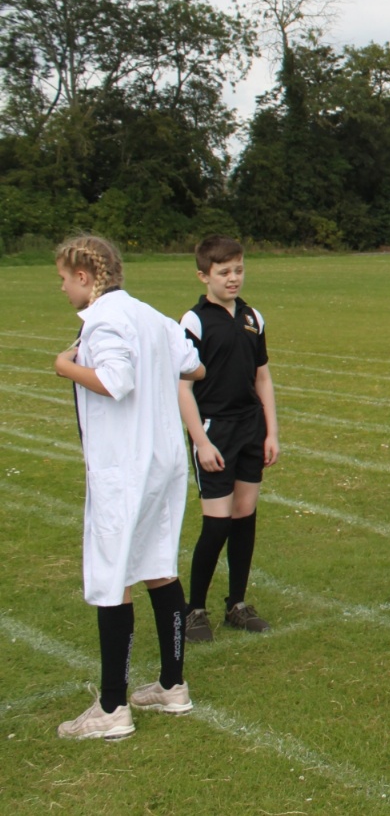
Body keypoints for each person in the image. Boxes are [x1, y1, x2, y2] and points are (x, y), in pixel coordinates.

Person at [52, 235, 205, 740]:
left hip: (125, 463)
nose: (62, 288)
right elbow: (195, 366)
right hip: (163, 459)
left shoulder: (104, 318)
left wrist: (65, 365)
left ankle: (113, 707)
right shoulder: (153, 317)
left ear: (84, 276)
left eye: (63, 279)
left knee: (113, 571)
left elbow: (116, 380)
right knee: (159, 564)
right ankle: (172, 685)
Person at [177, 235, 279, 642]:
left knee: (244, 519)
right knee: (216, 525)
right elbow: (183, 388)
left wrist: (272, 431)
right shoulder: (194, 321)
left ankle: (236, 603)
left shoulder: (253, 317)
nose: (233, 278)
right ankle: (194, 609)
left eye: (238, 270)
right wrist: (201, 441)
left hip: (250, 428)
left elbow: (263, 376)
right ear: (204, 275)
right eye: (224, 272)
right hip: (214, 431)